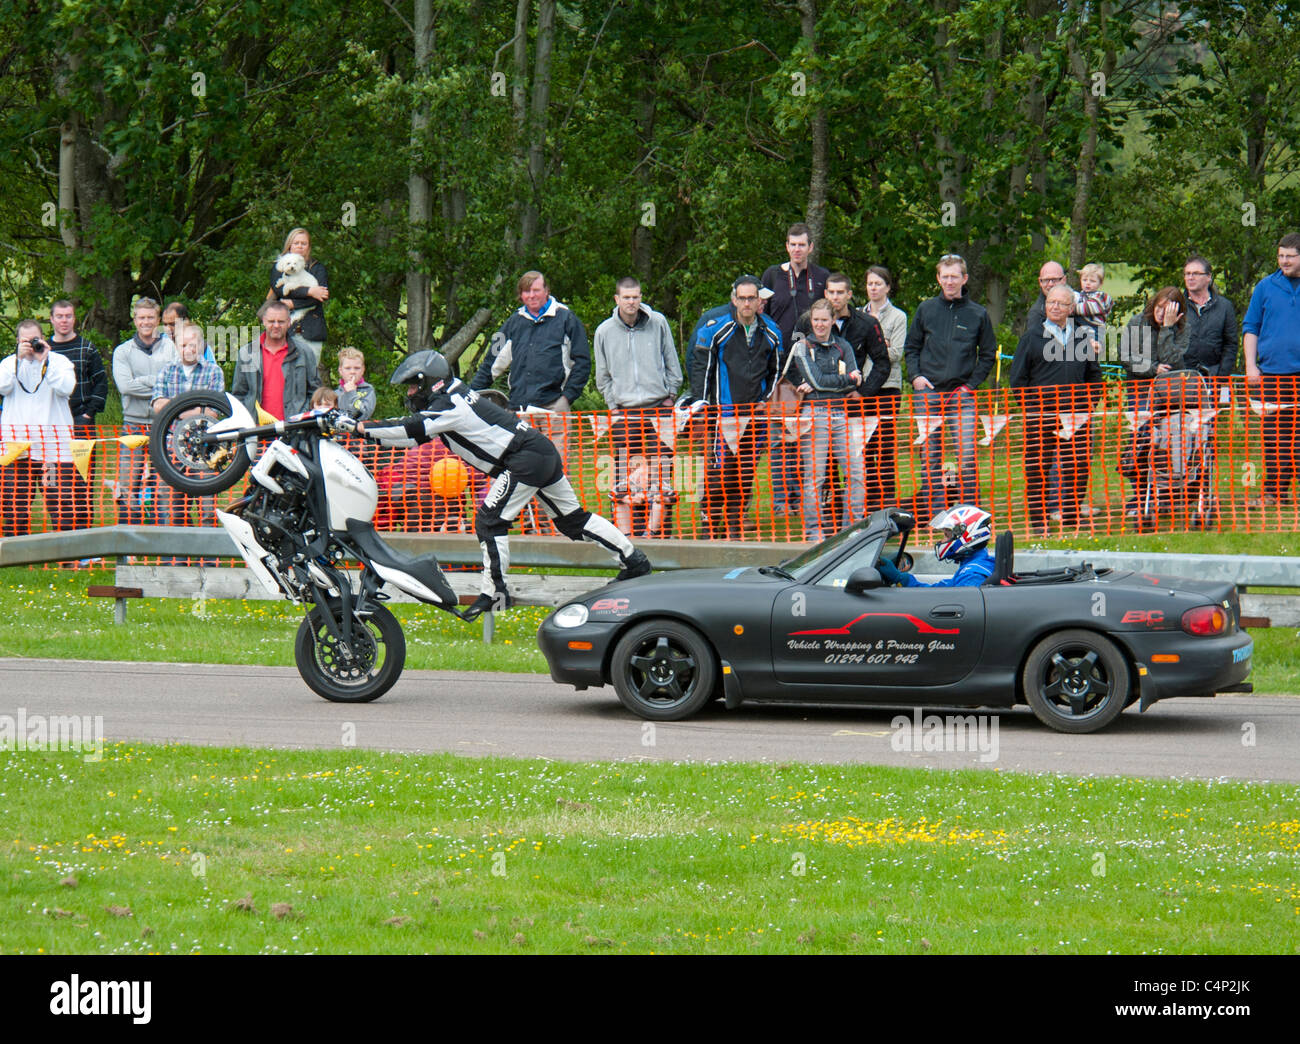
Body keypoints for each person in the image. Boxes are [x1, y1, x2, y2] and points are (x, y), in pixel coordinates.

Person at [355, 351, 650, 620]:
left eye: (412, 386)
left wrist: (357, 427)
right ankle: (634, 561)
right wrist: (365, 433)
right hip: (538, 451)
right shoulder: (452, 395)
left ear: (428, 383)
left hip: (524, 458)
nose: (409, 393)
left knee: (489, 520)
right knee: (574, 521)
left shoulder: (449, 404)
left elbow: (410, 428)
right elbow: (412, 435)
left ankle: (495, 592)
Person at [902, 253, 997, 518]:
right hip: (928, 394)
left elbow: (988, 354)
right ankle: (935, 514)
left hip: (961, 397)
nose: (950, 281)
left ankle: (969, 515)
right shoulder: (926, 309)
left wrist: (972, 385)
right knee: (929, 458)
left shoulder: (978, 314)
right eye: (945, 277)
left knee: (966, 458)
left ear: (964, 278)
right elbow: (911, 347)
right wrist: (915, 377)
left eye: (955, 276)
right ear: (938, 279)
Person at [688, 275, 781, 539]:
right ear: (734, 299)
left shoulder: (771, 331)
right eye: (742, 298)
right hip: (723, 414)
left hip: (754, 416)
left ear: (759, 299)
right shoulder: (716, 329)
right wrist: (702, 403)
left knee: (745, 472)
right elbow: (701, 369)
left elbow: (776, 371)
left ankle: (734, 526)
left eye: (752, 298)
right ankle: (709, 526)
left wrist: (767, 400)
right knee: (718, 472)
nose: (747, 303)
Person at [1008, 285, 1104, 533]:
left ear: (1071, 308)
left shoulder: (1083, 335)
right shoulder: (1031, 338)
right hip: (1041, 416)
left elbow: (1095, 377)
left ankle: (1071, 518)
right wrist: (1031, 409)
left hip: (1077, 416)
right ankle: (1039, 522)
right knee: (1037, 468)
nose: (1055, 307)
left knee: (1078, 465)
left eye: (1061, 303)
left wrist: (1088, 406)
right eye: (1051, 302)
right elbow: (1018, 381)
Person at [593, 277, 682, 536]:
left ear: (641, 297)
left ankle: (661, 533)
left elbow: (671, 361)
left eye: (636, 297)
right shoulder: (604, 331)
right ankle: (626, 536)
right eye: (627, 297)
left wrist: (671, 395)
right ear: (617, 299)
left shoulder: (659, 323)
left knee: (661, 475)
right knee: (625, 476)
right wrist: (613, 405)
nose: (632, 302)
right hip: (624, 412)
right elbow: (602, 374)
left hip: (659, 409)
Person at [762, 223, 825, 515]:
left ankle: (802, 500)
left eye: (803, 244)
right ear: (787, 246)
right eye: (793, 244)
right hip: (780, 372)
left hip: (811, 371)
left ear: (810, 247)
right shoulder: (772, 275)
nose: (798, 249)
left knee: (805, 441)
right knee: (779, 441)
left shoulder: (822, 278)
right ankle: (781, 502)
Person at [790, 299, 864, 541]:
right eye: (816, 320)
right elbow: (819, 380)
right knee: (815, 477)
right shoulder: (802, 347)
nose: (820, 325)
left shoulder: (844, 347)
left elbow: (855, 380)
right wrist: (846, 381)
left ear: (833, 320)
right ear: (811, 321)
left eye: (824, 320)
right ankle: (815, 534)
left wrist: (843, 382)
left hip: (842, 415)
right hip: (814, 415)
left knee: (856, 473)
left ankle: (851, 532)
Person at [0, 320, 76, 535]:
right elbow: (2, 386)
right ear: (17, 342)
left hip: (52, 450)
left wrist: (46, 362)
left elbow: (66, 388)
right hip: (17, 449)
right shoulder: (8, 364)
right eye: (25, 341)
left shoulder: (59, 362)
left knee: (58, 501)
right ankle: (15, 550)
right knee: (15, 503)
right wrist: (18, 358)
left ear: (43, 337)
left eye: (35, 340)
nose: (31, 345)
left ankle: (65, 551)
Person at [1242, 233, 1300, 508]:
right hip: (1272, 376)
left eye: (1290, 256)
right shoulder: (1265, 287)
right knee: (1275, 438)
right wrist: (1251, 366)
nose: (1284, 261)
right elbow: (1251, 328)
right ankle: (1273, 493)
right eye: (1281, 256)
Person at [152, 320, 226, 528]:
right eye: (183, 345)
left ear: (201, 345)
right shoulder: (166, 371)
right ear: (176, 346)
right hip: (169, 449)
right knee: (173, 510)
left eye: (192, 344)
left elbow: (213, 411)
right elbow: (158, 404)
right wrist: (195, 409)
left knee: (207, 509)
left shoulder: (214, 372)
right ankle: (177, 559)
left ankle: (208, 560)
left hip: (204, 449)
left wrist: (174, 409)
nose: (188, 349)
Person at [112, 297, 177, 524]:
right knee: (129, 483)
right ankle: (127, 541)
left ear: (158, 319)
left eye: (151, 317)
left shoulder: (172, 348)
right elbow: (125, 387)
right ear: (134, 320)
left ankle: (164, 541)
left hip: (164, 425)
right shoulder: (122, 351)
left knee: (164, 485)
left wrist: (145, 381)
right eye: (142, 317)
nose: (146, 322)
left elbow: (175, 383)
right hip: (133, 424)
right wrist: (159, 384)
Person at [48, 299, 107, 529]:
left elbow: (101, 384)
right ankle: (60, 530)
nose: (64, 321)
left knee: (83, 480)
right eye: (60, 316)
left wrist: (89, 415)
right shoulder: (44, 349)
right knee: (54, 479)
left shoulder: (87, 348)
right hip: (52, 425)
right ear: (52, 319)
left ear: (74, 319)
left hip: (80, 421)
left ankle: (84, 533)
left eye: (68, 316)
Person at [862, 265, 907, 510]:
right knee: (865, 445)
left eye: (878, 284)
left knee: (885, 445)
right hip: (865, 385)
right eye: (870, 284)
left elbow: (895, 353)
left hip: (888, 387)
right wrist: (879, 345)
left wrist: (875, 345)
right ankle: (867, 496)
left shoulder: (898, 317)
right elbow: (856, 350)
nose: (874, 288)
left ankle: (887, 497)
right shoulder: (858, 314)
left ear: (888, 287)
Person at [232, 300, 319, 421]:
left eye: (281, 321)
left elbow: (315, 393)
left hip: (294, 430)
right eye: (271, 321)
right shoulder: (248, 353)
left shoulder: (304, 353)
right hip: (257, 431)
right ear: (264, 321)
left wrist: (302, 417)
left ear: (289, 322)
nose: (276, 325)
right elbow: (239, 394)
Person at [877, 504, 996, 587]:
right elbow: (940, 590)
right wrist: (901, 579)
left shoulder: (972, 576)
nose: (942, 541)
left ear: (967, 537)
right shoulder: (976, 564)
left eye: (946, 535)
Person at [268, 227, 329, 376]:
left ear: (309, 246)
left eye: (304, 243)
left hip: (311, 329)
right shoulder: (279, 266)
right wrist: (309, 291)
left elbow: (320, 296)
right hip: (283, 329)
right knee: (282, 374)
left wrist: (294, 303)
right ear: (290, 245)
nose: (300, 246)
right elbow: (280, 291)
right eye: (296, 243)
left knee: (309, 375)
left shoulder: (318, 268)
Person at [1182, 255, 1238, 378]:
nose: (1190, 278)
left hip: (1215, 378)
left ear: (1208, 277)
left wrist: (1221, 374)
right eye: (1187, 274)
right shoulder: (1176, 305)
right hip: (1182, 378)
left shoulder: (1225, 306)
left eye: (1196, 273)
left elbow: (1231, 344)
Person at [1122, 287, 1188, 383]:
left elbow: (1170, 360)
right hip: (1140, 386)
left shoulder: (1183, 328)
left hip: (1169, 386)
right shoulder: (1138, 322)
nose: (1161, 313)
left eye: (1166, 310)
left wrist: (1166, 328)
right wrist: (1153, 369)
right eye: (1159, 307)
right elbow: (1125, 357)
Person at [1022, 261, 1068, 333]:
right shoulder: (1037, 314)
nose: (1050, 284)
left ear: (1064, 280)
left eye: (1054, 280)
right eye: (1046, 280)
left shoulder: (1078, 302)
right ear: (1040, 282)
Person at [335, 346, 376, 420]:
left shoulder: (368, 390)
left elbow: (364, 415)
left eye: (357, 368)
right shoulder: (336, 394)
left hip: (359, 429)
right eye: (348, 368)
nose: (352, 372)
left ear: (363, 369)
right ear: (341, 370)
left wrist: (351, 393)